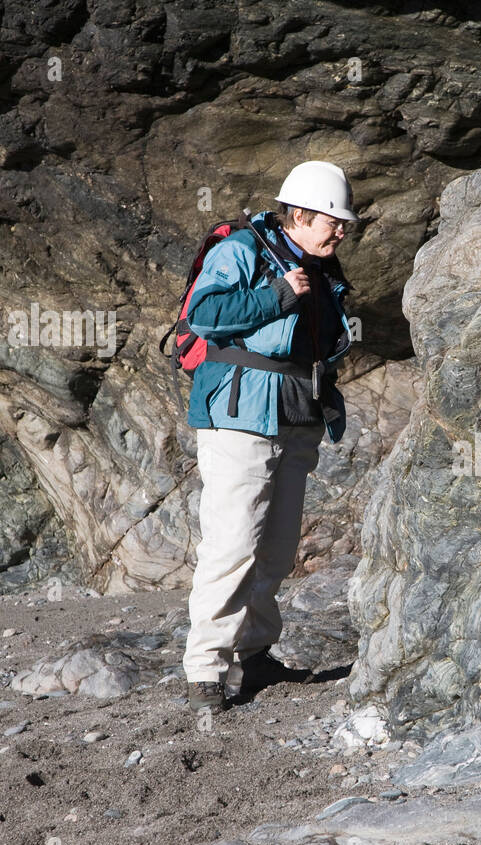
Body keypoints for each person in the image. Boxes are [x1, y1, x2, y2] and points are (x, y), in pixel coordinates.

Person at [181, 160, 358, 711]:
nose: (342, 230)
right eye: (334, 220)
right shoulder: (241, 249)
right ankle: (205, 671)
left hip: (294, 416)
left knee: (277, 550)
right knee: (232, 544)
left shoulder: (323, 267)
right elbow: (204, 314)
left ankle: (254, 656)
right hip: (238, 416)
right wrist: (277, 295)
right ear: (300, 214)